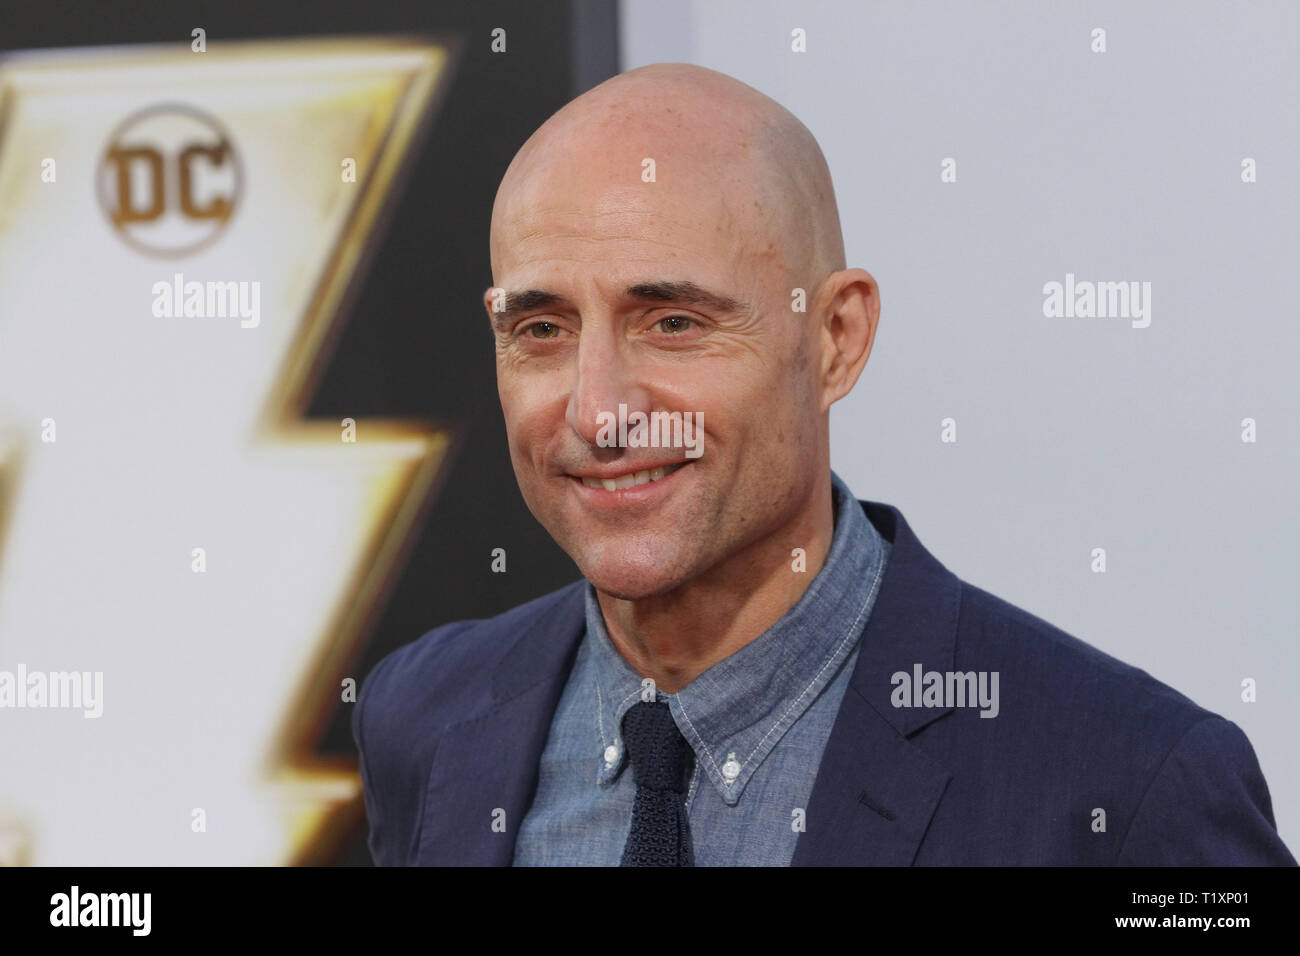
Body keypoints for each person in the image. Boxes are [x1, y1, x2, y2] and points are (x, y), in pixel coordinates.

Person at [352, 62, 1295, 866]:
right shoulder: (423, 717)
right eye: (543, 329)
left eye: (674, 323)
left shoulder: (1126, 784)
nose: (600, 412)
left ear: (836, 339)